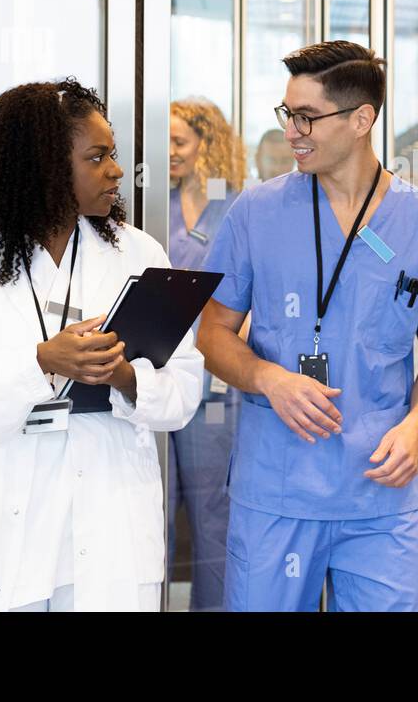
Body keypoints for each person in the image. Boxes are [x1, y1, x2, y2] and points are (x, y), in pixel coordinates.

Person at [0, 79, 203, 611]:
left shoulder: (138, 253)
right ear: (43, 166)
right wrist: (41, 362)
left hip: (107, 534)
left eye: (113, 154)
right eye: (96, 156)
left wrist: (125, 377)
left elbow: (184, 389)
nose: (115, 170)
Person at [198, 40, 418, 611]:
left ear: (361, 120)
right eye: (287, 114)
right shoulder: (255, 214)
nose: (291, 132)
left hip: (378, 493)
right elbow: (211, 333)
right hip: (277, 488)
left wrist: (417, 426)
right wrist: (269, 379)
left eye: (306, 117)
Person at [167, 97, 246, 610]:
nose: (170, 153)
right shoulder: (152, 204)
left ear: (207, 144)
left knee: (214, 513)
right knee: (152, 509)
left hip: (214, 383)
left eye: (179, 142)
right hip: (150, 376)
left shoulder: (239, 206)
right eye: (164, 143)